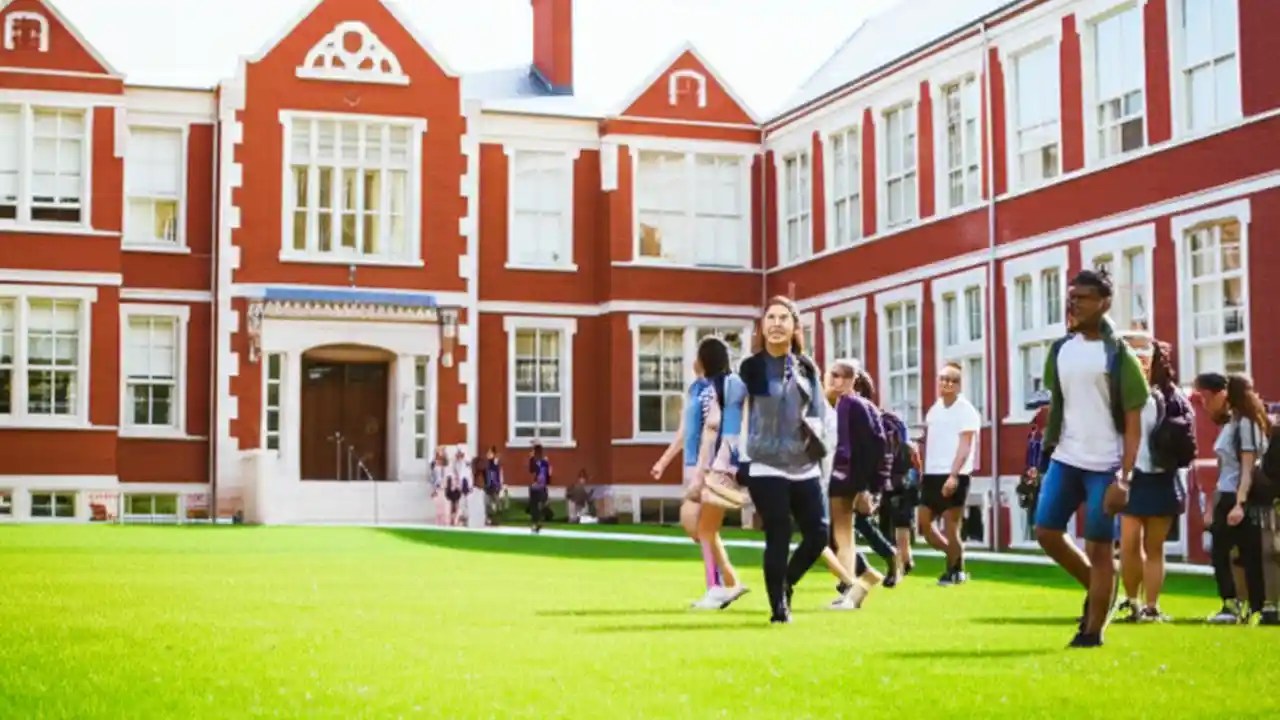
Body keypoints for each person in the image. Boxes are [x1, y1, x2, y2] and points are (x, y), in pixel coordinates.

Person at [1033, 269, 1149, 649]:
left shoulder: (1119, 356)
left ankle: (1092, 631)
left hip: (1106, 466)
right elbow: (1058, 407)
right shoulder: (1060, 350)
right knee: (1046, 531)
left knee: (1100, 548)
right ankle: (1100, 588)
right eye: (1072, 296)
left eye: (1082, 297)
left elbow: (1134, 425)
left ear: (1103, 303)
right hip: (1066, 459)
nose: (1074, 303)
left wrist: (1125, 478)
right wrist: (1044, 456)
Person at [729, 296, 831, 624]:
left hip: (804, 465)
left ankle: (786, 582)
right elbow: (733, 413)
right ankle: (778, 608)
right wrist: (731, 458)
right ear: (762, 327)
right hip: (764, 463)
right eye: (770, 318)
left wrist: (821, 449)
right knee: (779, 532)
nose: (775, 323)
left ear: (794, 327)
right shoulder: (751, 366)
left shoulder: (806, 367)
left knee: (819, 534)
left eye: (782, 318)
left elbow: (818, 413)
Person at [651, 336, 750, 610]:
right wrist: (664, 460)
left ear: (704, 359)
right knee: (703, 528)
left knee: (698, 525)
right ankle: (728, 582)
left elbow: (714, 428)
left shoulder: (716, 389)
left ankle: (717, 586)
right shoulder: (696, 389)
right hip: (695, 463)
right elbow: (685, 431)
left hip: (710, 465)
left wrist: (704, 472)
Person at [1117, 335, 1190, 623]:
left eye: (1143, 359)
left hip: (1157, 475)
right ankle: (1135, 603)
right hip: (1139, 477)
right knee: (1131, 544)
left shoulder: (1164, 397)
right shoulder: (1129, 396)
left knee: (1151, 546)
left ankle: (1149, 605)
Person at [1192, 372, 1274, 625]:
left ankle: (1244, 605)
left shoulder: (1246, 424)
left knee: (1240, 553)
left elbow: (1247, 466)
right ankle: (1241, 604)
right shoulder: (1232, 422)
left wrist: (1239, 503)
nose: (1204, 403)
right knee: (1229, 552)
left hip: (1238, 495)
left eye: (1207, 397)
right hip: (1227, 493)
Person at [823, 359, 887, 609]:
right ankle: (852, 590)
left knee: (842, 537)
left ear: (850, 380)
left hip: (845, 479)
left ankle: (850, 589)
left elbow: (867, 448)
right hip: (848, 478)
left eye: (838, 376)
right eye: (832, 375)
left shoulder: (849, 405)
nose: (833, 380)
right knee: (842, 536)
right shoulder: (862, 406)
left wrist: (865, 488)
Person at [919, 361, 982, 586]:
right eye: (943, 379)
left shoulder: (966, 411)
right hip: (932, 473)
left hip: (955, 473)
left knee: (951, 524)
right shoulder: (934, 410)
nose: (947, 384)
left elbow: (965, 446)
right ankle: (955, 558)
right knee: (924, 523)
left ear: (959, 385)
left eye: (952, 381)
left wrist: (954, 475)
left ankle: (954, 571)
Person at [528, 443, 551, 533]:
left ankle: (535, 523)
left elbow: (531, 470)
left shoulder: (535, 461)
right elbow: (548, 475)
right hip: (543, 486)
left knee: (534, 506)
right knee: (539, 506)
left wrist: (531, 458)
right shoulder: (545, 462)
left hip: (536, 487)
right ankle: (538, 522)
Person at [483, 446, 503, 526]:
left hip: (494, 486)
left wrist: (498, 485)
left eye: (490, 453)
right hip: (487, 486)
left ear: (493, 454)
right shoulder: (486, 464)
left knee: (496, 503)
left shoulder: (495, 463)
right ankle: (489, 519)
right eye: (487, 453)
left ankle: (496, 520)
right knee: (487, 503)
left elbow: (497, 474)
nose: (488, 454)